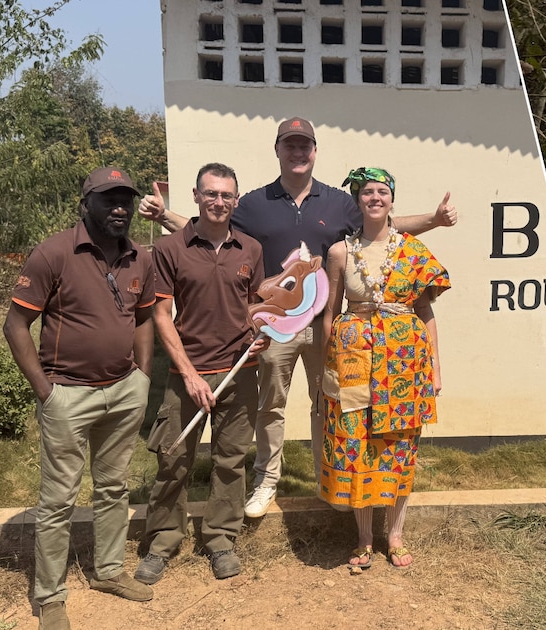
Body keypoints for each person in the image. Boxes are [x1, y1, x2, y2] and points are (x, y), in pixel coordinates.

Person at [139, 117, 457, 518]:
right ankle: (266, 480)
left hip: (327, 326)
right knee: (270, 407)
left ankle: (329, 475)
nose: (297, 152)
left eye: (304, 145)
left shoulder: (340, 202)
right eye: (289, 145)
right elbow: (210, 226)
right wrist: (167, 217)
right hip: (276, 329)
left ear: (314, 152)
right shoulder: (252, 203)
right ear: (277, 150)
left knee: (328, 401)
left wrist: (434, 220)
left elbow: (384, 225)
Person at [4, 167, 156, 628]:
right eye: (108, 199)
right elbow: (14, 325)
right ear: (84, 203)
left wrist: (143, 376)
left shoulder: (139, 257)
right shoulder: (54, 252)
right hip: (67, 395)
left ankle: (109, 571)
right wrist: (47, 393)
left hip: (124, 390)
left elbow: (144, 317)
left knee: (114, 486)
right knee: (59, 499)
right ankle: (49, 596)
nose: (120, 208)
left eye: (125, 200)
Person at [134, 163, 268, 586]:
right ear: (195, 195)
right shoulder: (171, 248)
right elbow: (161, 315)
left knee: (230, 461)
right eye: (211, 194)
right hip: (186, 374)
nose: (219, 202)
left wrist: (260, 333)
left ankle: (221, 538)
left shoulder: (251, 248)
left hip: (239, 372)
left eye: (227, 195)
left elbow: (256, 305)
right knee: (173, 459)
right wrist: (189, 373)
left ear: (236, 200)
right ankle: (161, 541)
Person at [319, 166, 449, 569]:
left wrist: (436, 369)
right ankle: (363, 538)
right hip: (355, 362)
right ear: (357, 200)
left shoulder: (412, 250)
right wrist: (328, 369)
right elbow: (329, 312)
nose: (375, 198)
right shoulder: (340, 252)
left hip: (405, 365)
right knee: (357, 446)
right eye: (367, 192)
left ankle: (395, 534)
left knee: (399, 449)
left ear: (392, 199)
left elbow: (425, 312)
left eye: (382, 191)